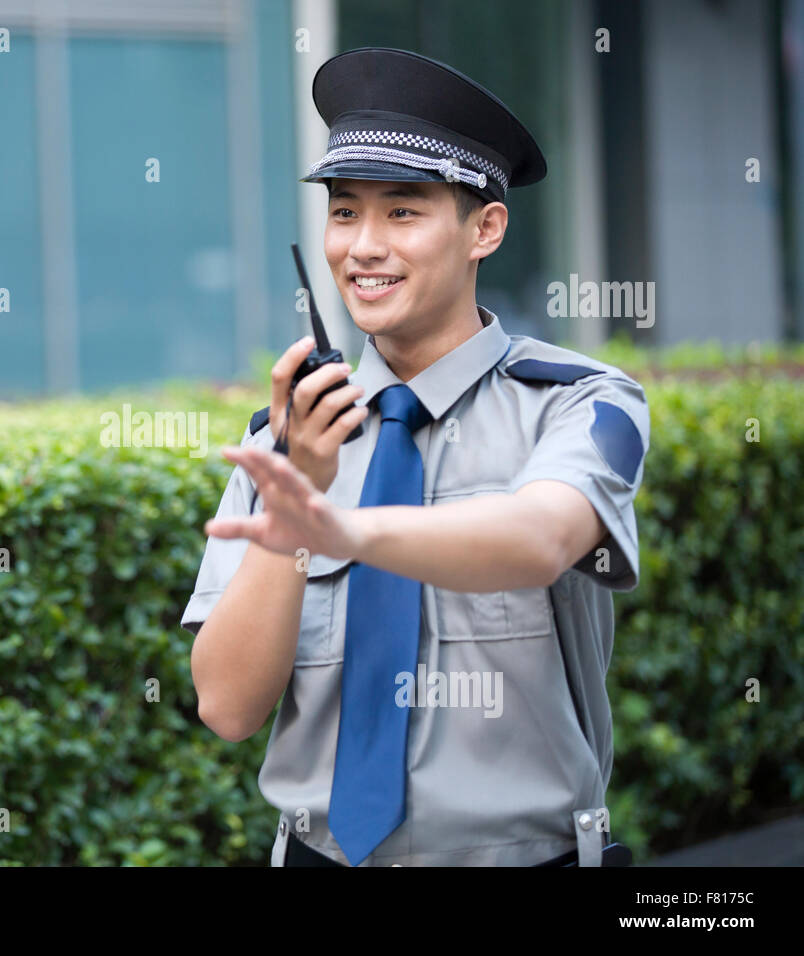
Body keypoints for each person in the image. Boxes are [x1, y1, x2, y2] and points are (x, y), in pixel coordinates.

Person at [180, 48, 649, 867]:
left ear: (485, 229)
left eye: (402, 212)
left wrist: (340, 530)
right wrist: (291, 520)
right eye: (344, 212)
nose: (363, 247)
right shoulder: (286, 440)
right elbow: (226, 706)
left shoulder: (580, 404)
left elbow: (539, 538)